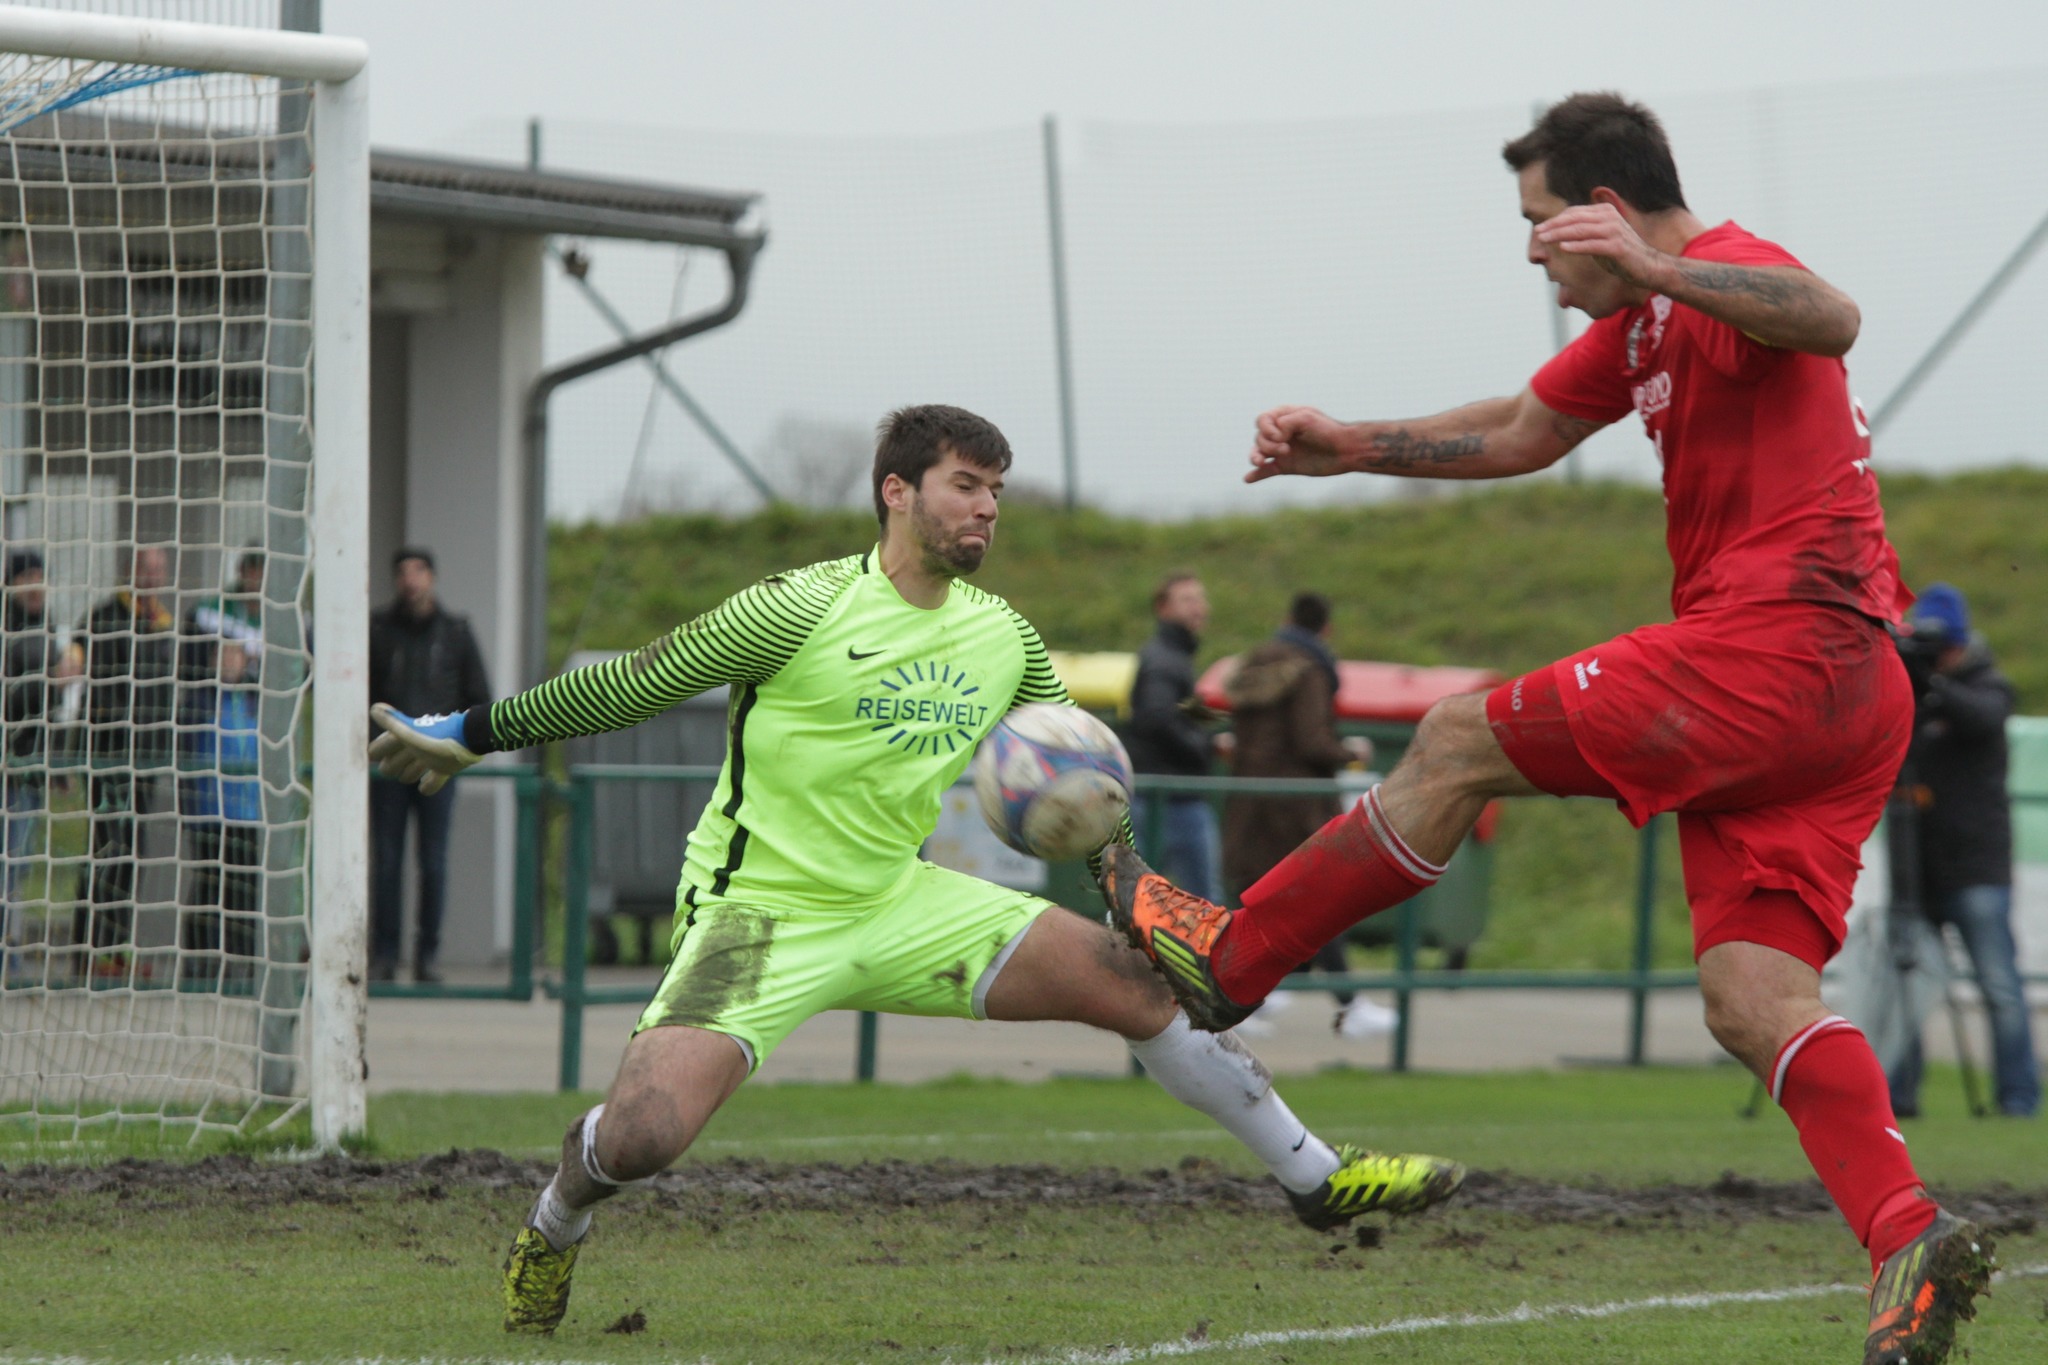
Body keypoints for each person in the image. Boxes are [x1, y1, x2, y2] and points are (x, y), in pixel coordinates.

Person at [1097, 94, 1995, 1365]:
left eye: (1538, 225)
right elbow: (1524, 432)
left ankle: (1233, 956)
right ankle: (1906, 1237)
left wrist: (1658, 269)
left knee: (1456, 739)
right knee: (1752, 999)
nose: (1530, 254)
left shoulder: (1717, 275)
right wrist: (1345, 445)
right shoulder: (1642, 326)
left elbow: (1833, 318)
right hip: (1842, 693)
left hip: (1782, 647)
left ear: (1604, 213)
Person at [365, 404, 1465, 1336]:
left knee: (1142, 986)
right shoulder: (799, 606)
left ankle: (1315, 1178)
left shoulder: (1002, 636)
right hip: (762, 912)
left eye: (996, 491)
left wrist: (1122, 875)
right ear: (897, 492)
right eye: (965, 485)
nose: (986, 508)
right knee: (645, 1137)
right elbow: (632, 685)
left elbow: (1078, 779)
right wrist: (466, 729)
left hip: (901, 900)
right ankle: (557, 1221)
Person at [1887, 584, 2038, 1120]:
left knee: (1998, 985)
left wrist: (1930, 683)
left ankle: (2018, 1098)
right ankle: (1898, 1095)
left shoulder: (1988, 685)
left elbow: (1981, 717)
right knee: (1906, 985)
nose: (1938, 657)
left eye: (1943, 647)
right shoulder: (1911, 693)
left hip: (1976, 865)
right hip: (1916, 865)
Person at [1220, 592, 1388, 1039]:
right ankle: (1347, 1005)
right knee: (1321, 898)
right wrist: (1350, 751)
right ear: (1325, 630)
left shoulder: (1253, 664)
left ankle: (1257, 996)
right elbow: (1312, 741)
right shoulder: (1311, 671)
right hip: (1295, 806)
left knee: (1258, 901)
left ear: (1287, 618)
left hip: (1250, 803)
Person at [366, 547, 491, 983]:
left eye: (418, 571)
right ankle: (384, 955)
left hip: (436, 762)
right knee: (386, 860)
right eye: (402, 572)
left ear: (432, 578)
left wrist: (458, 743)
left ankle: (427, 956)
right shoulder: (378, 630)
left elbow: (480, 695)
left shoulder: (456, 632)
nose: (410, 580)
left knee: (433, 861)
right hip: (390, 761)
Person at [77, 543, 181, 974]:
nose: (153, 576)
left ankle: (118, 947)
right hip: (108, 753)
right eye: (146, 567)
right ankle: (91, 948)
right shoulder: (102, 619)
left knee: (134, 848)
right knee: (108, 846)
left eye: (159, 569)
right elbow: (86, 688)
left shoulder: (163, 623)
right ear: (129, 570)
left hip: (147, 754)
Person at [3, 548, 80, 981]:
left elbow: (47, 710)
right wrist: (47, 680)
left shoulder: (47, 628)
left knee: (19, 863)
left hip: (28, 769)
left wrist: (57, 766)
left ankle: (11, 957)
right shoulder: (8, 630)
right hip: (9, 765)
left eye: (39, 576)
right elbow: (14, 701)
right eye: (26, 577)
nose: (35, 585)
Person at [1123, 572, 1223, 902]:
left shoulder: (1171, 654)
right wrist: (1203, 746)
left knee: (1139, 900)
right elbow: (1156, 716)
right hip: (1170, 800)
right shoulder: (1165, 658)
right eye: (1187, 599)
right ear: (1163, 609)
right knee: (1203, 902)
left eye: (1200, 598)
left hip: (1164, 796)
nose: (1199, 607)